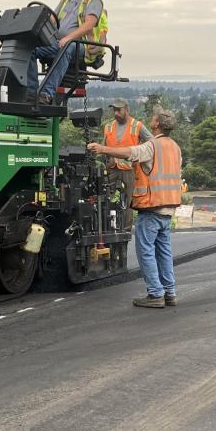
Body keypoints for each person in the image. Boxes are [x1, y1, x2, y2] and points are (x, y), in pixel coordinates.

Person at [88, 108, 182, 308]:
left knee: (146, 251)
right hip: (168, 209)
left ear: (156, 124)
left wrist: (102, 149)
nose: (151, 119)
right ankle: (169, 293)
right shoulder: (175, 147)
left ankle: (156, 294)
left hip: (151, 209)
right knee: (164, 252)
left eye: (153, 118)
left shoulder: (152, 146)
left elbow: (130, 152)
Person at [27, 0, 104, 102]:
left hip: (84, 47)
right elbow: (52, 19)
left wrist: (68, 38)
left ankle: (46, 93)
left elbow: (89, 25)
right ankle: (32, 92)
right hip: (60, 42)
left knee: (68, 46)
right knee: (31, 48)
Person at [102, 99, 152, 211]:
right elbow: (104, 147)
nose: (115, 113)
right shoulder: (108, 127)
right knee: (105, 198)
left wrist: (141, 154)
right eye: (114, 110)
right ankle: (108, 225)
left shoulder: (137, 125)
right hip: (112, 168)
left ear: (127, 109)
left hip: (130, 169)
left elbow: (152, 143)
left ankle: (126, 228)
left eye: (119, 110)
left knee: (129, 202)